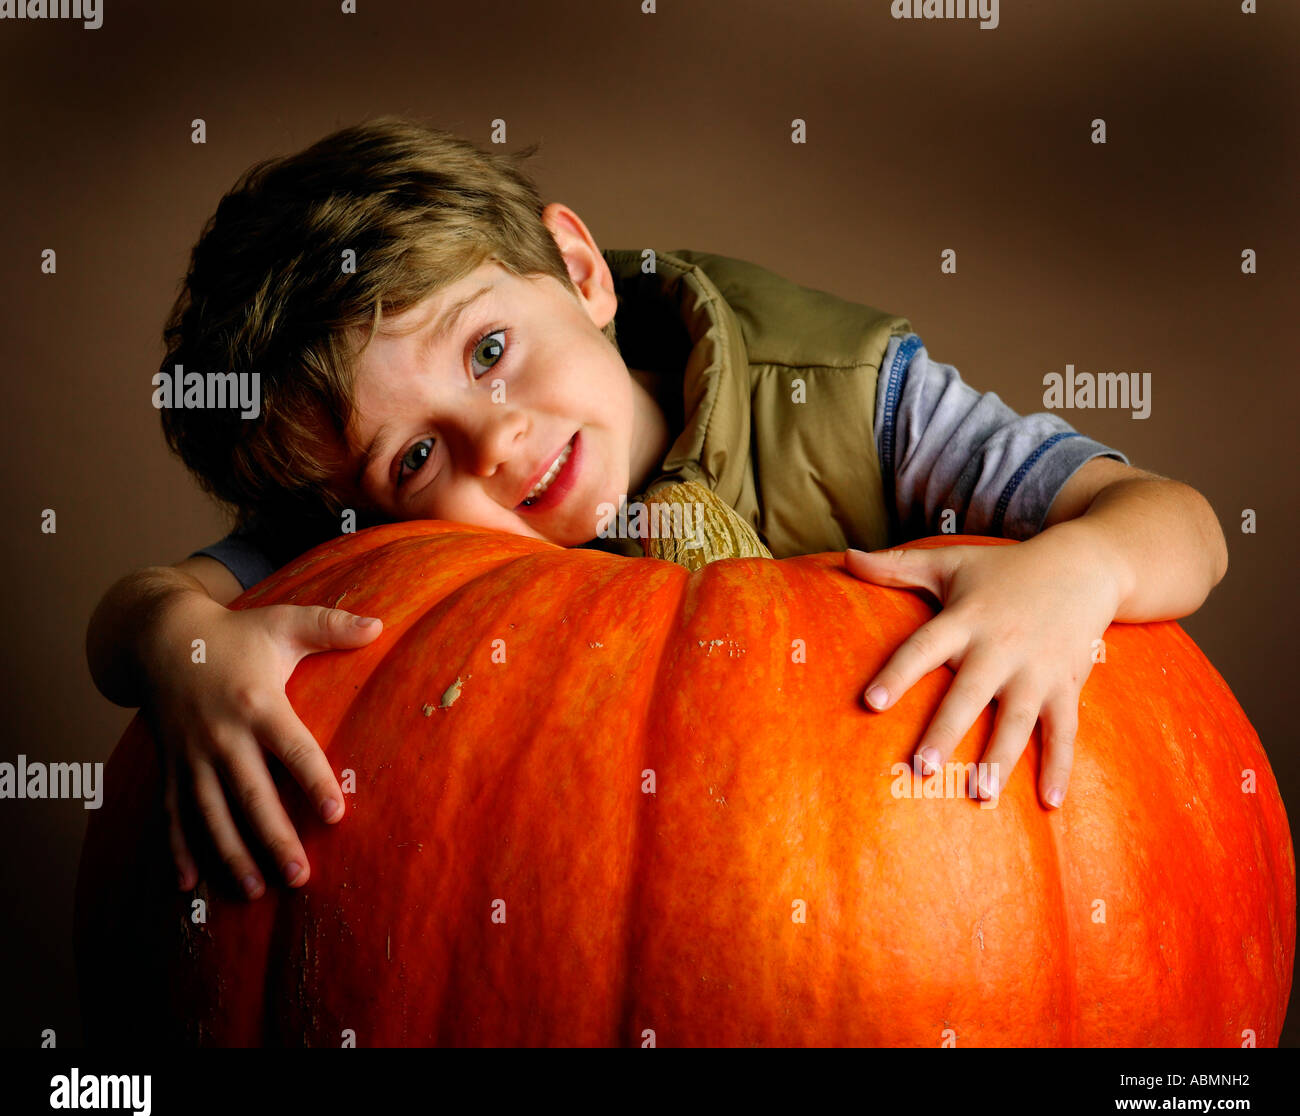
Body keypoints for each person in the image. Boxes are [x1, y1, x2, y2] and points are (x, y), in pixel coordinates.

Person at [86, 118, 1228, 901]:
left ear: (579, 270)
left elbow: (1174, 522)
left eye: (489, 349)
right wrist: (183, 649)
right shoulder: (382, 536)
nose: (498, 441)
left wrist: (1079, 573)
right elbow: (142, 613)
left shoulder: (848, 402)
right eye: (418, 453)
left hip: (898, 880)